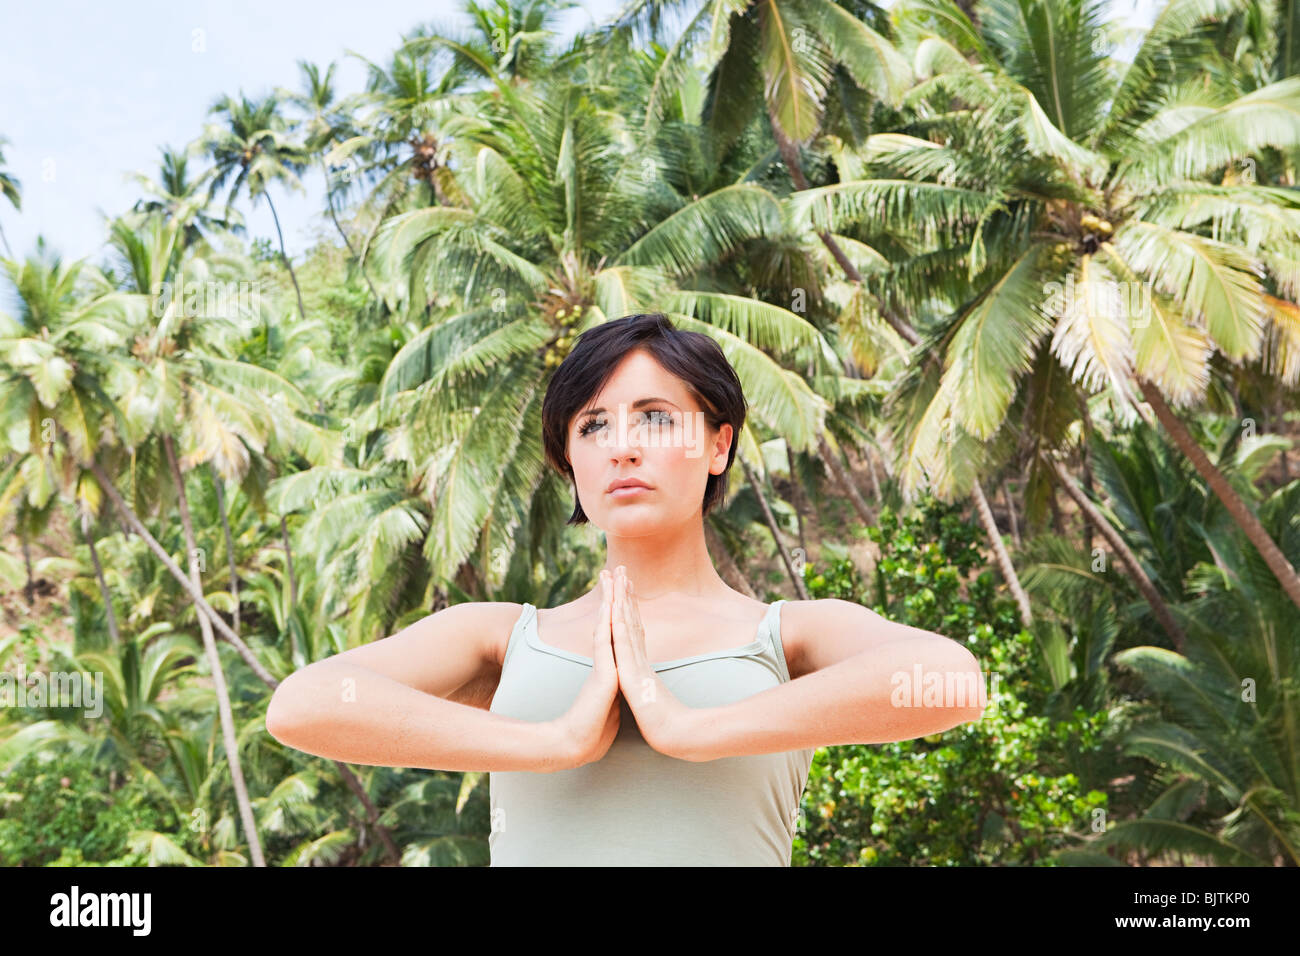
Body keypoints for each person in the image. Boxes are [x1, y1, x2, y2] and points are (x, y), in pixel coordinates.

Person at [266, 312, 985, 866]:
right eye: (593, 425)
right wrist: (558, 739)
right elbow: (305, 705)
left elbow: (950, 683)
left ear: (717, 444)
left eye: (656, 418)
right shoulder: (501, 636)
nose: (622, 445)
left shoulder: (786, 634)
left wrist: (686, 729)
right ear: (569, 459)